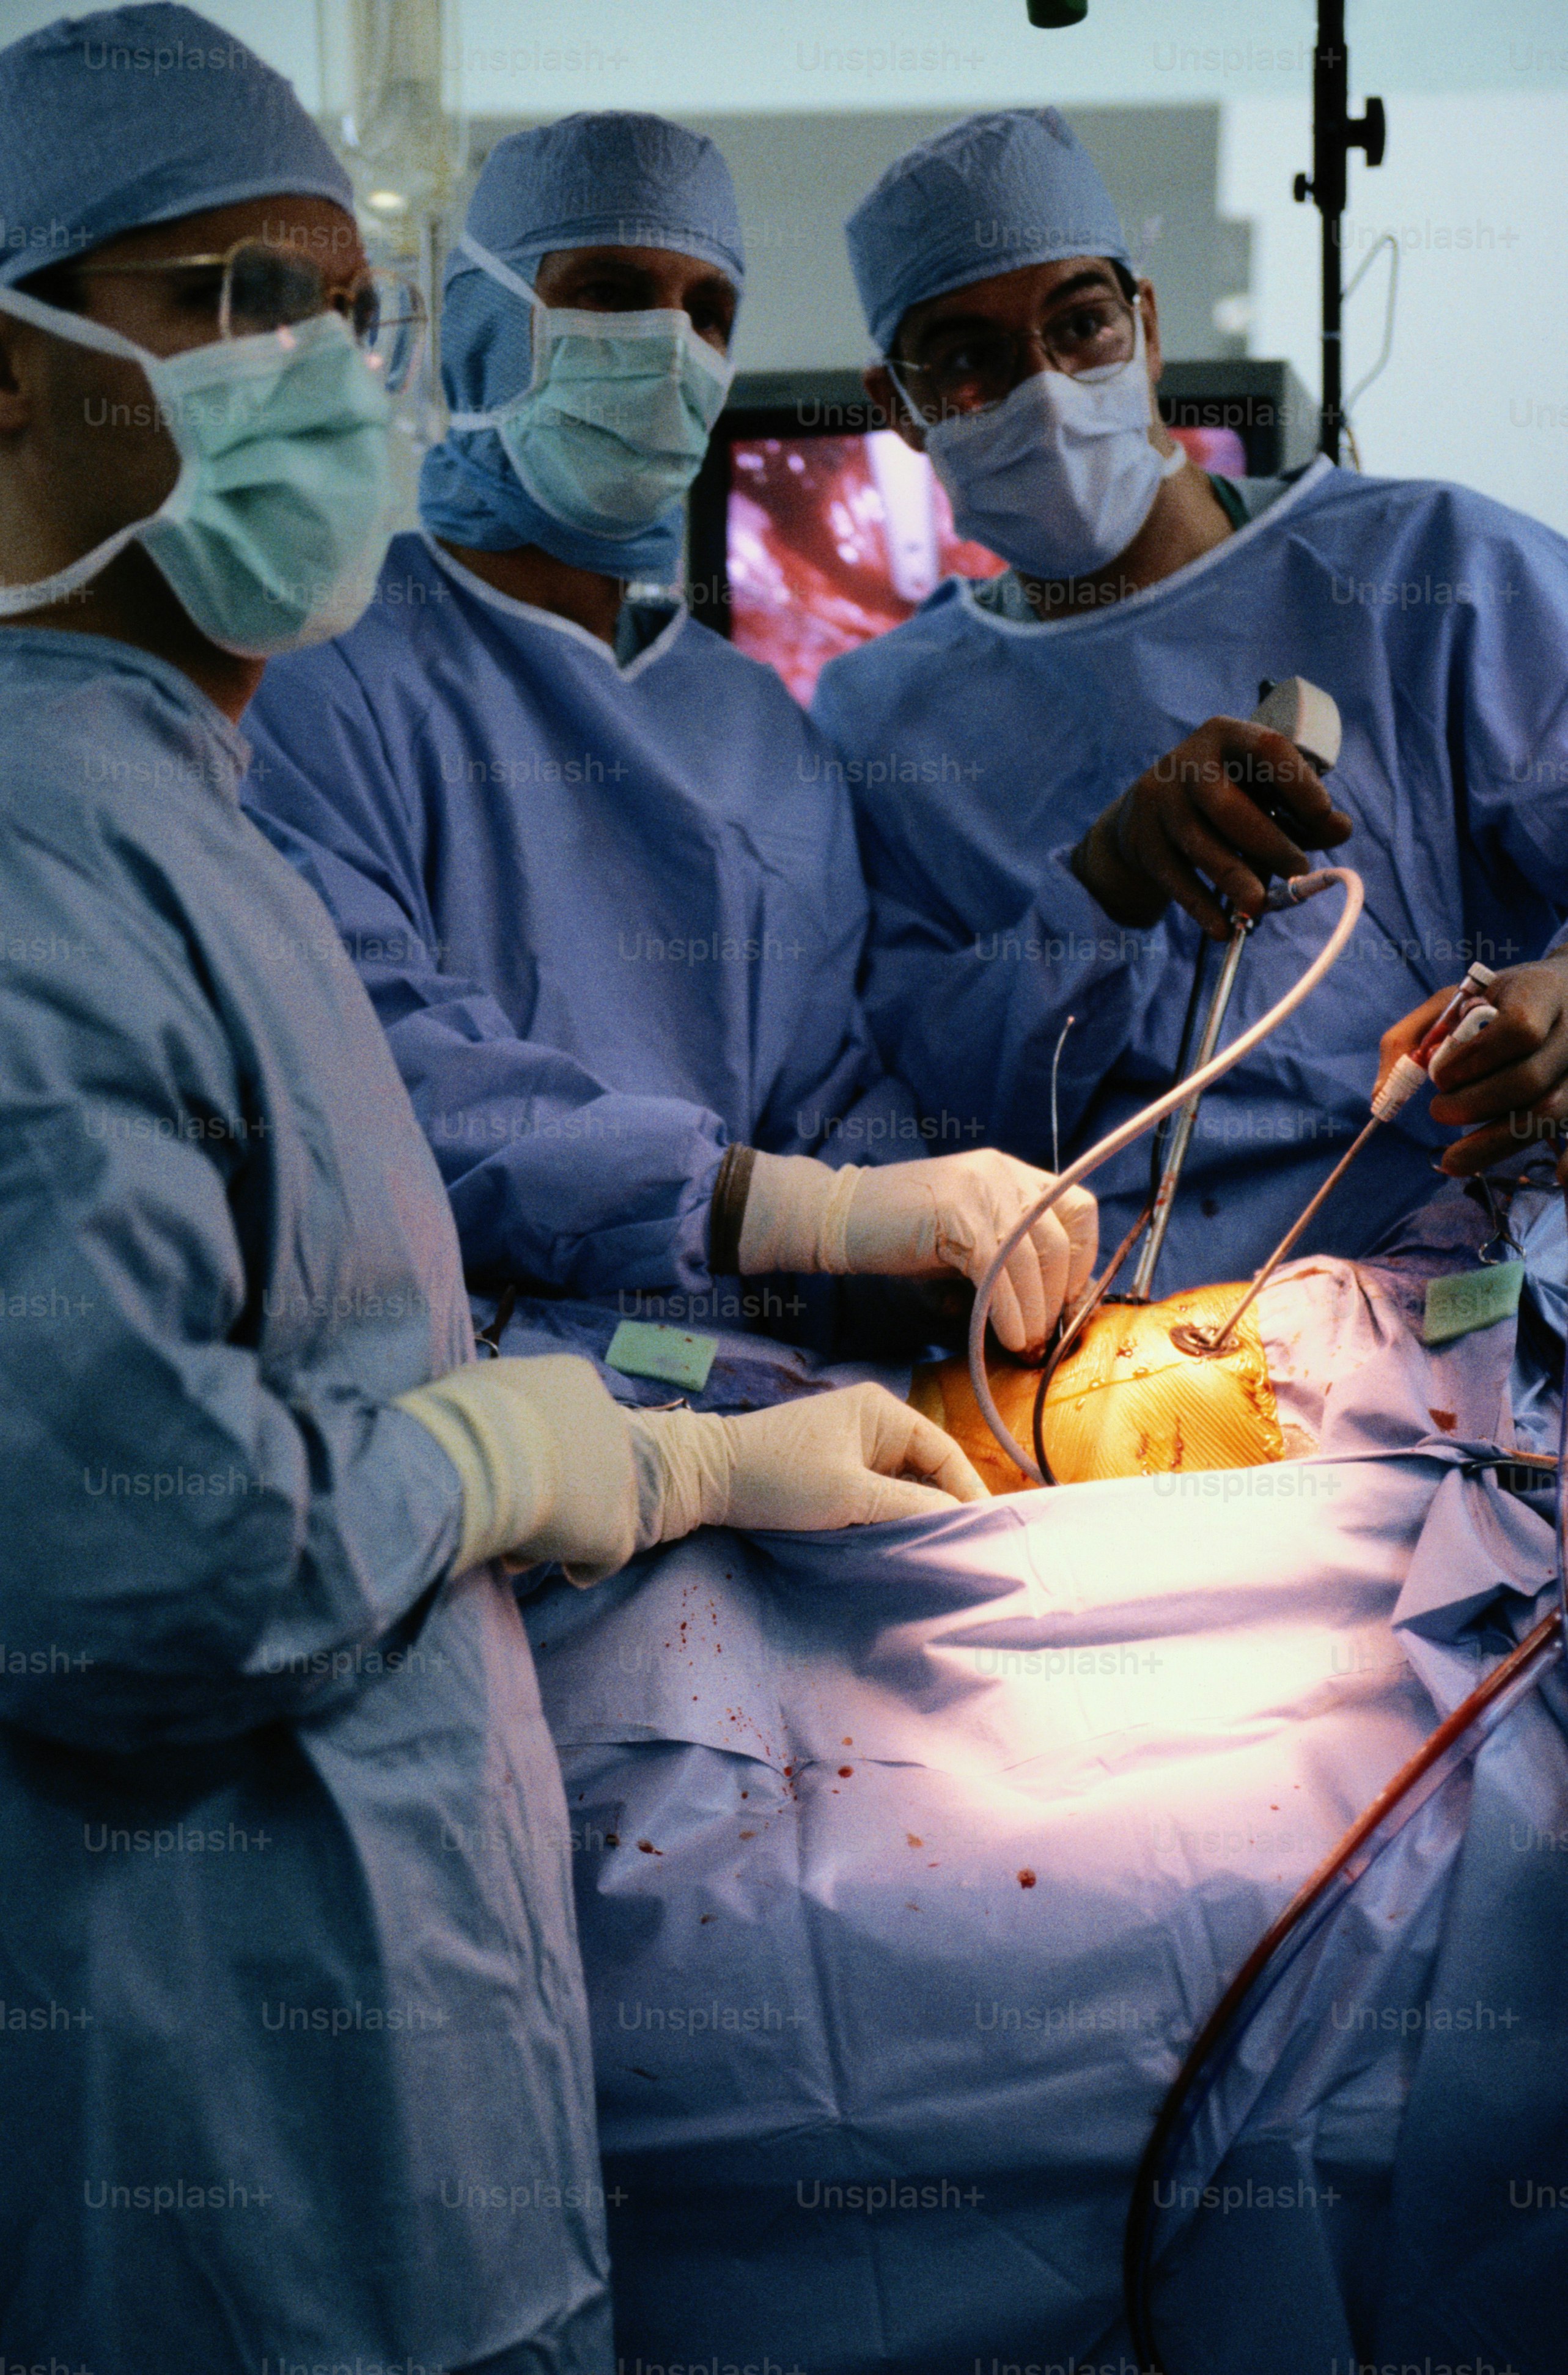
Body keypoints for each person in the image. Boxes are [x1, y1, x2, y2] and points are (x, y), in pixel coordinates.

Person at [0, 15, 989, 2373]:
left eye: (336, 313)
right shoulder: (46, 854)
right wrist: (546, 1446)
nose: (319, 375)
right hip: (219, 2161)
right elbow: (124, 1567)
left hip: (404, 2075)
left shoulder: (171, 800)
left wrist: (729, 1383)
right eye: (230, 302)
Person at [241, 112, 1097, 1382]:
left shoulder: (754, 728)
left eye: (708, 311)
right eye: (609, 294)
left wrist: (917, 1243)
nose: (673, 349)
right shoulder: (320, 673)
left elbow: (824, 1094)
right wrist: (773, 1207)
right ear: (478, 323)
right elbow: (373, 1073)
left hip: (756, 1396)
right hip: (472, 1410)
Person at [810, 107, 1568, 1293]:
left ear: (1146, 327)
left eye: (1079, 325)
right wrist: (1100, 890)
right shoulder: (879, 721)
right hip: (1109, 1346)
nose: (1046, 391)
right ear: (896, 405)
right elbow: (931, 1109)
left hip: (1455, 1284)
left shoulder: (1432, 571)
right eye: (968, 362)